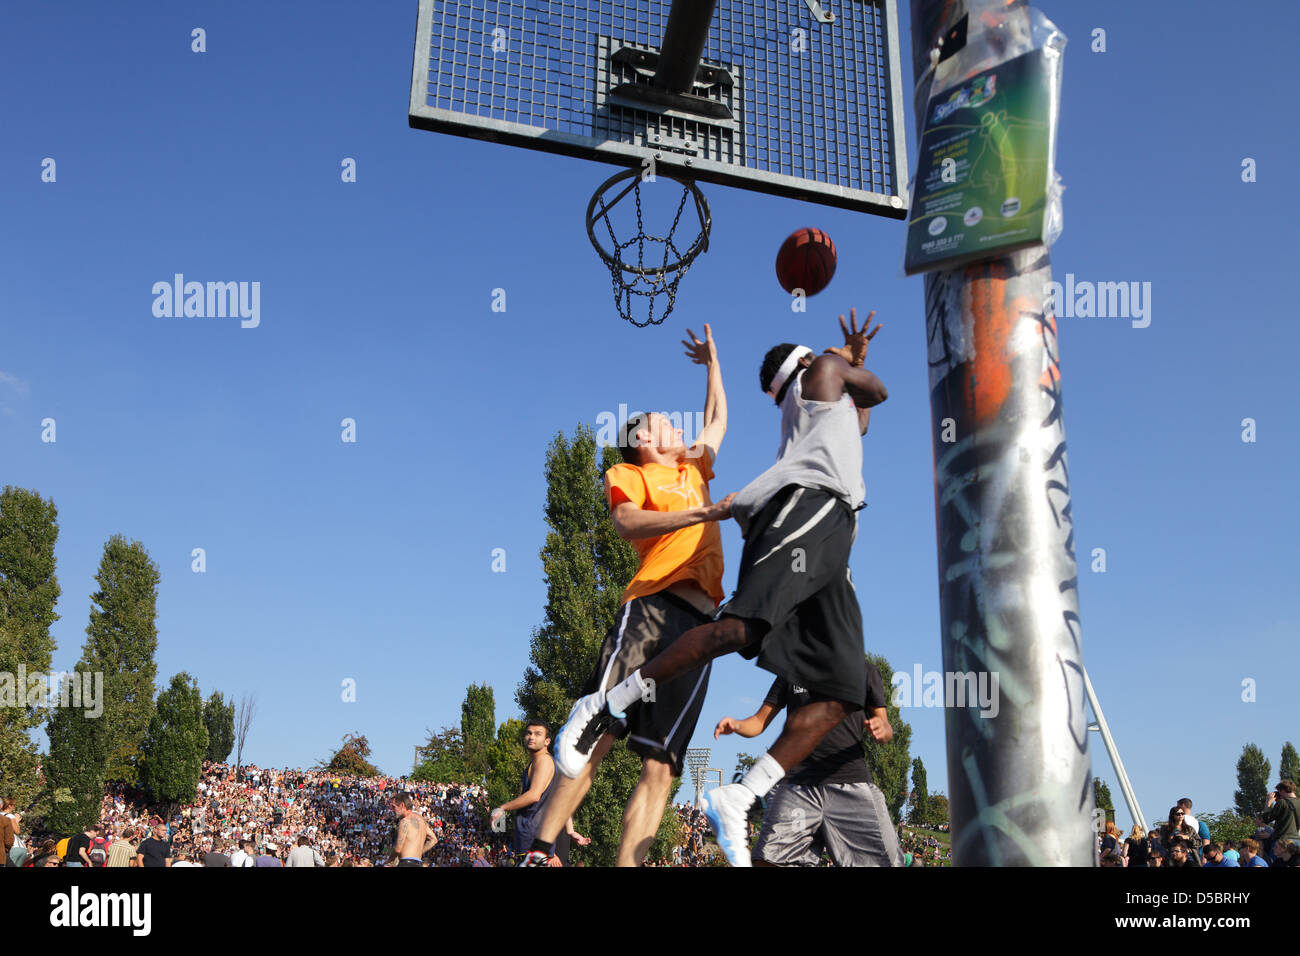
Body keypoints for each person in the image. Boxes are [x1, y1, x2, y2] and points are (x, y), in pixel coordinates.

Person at [555, 310, 889, 866]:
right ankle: (603, 707)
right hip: (797, 510)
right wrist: (851, 359)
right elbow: (875, 391)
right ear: (807, 364)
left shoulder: (804, 410)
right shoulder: (823, 372)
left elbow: (856, 415)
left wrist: (714, 366)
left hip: (830, 523)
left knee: (842, 691)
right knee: (735, 629)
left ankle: (741, 793)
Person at [527, 327, 732, 867]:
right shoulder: (631, 472)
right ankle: (541, 850)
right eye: (663, 419)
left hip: (700, 626)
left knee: (661, 766)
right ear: (644, 438)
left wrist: (714, 362)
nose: (674, 421)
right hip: (652, 609)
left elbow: (717, 418)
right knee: (598, 733)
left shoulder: (694, 466)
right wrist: (702, 514)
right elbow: (626, 523)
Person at [714, 659, 901, 866]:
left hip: (849, 782)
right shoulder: (791, 670)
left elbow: (884, 724)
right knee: (767, 860)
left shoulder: (863, 670)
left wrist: (882, 729)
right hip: (797, 785)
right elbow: (758, 722)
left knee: (886, 861)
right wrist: (738, 725)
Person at [389, 791, 435, 867]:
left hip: (406, 863)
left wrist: (389, 860)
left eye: (394, 807)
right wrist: (418, 852)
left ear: (402, 805)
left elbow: (398, 849)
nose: (393, 810)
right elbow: (433, 840)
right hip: (418, 863)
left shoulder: (404, 821)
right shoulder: (421, 820)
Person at [1255, 780, 1299, 856]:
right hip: (1297, 840)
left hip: (1282, 841)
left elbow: (1265, 819)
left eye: (1279, 792)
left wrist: (1268, 803)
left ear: (1282, 790)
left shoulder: (1282, 802)